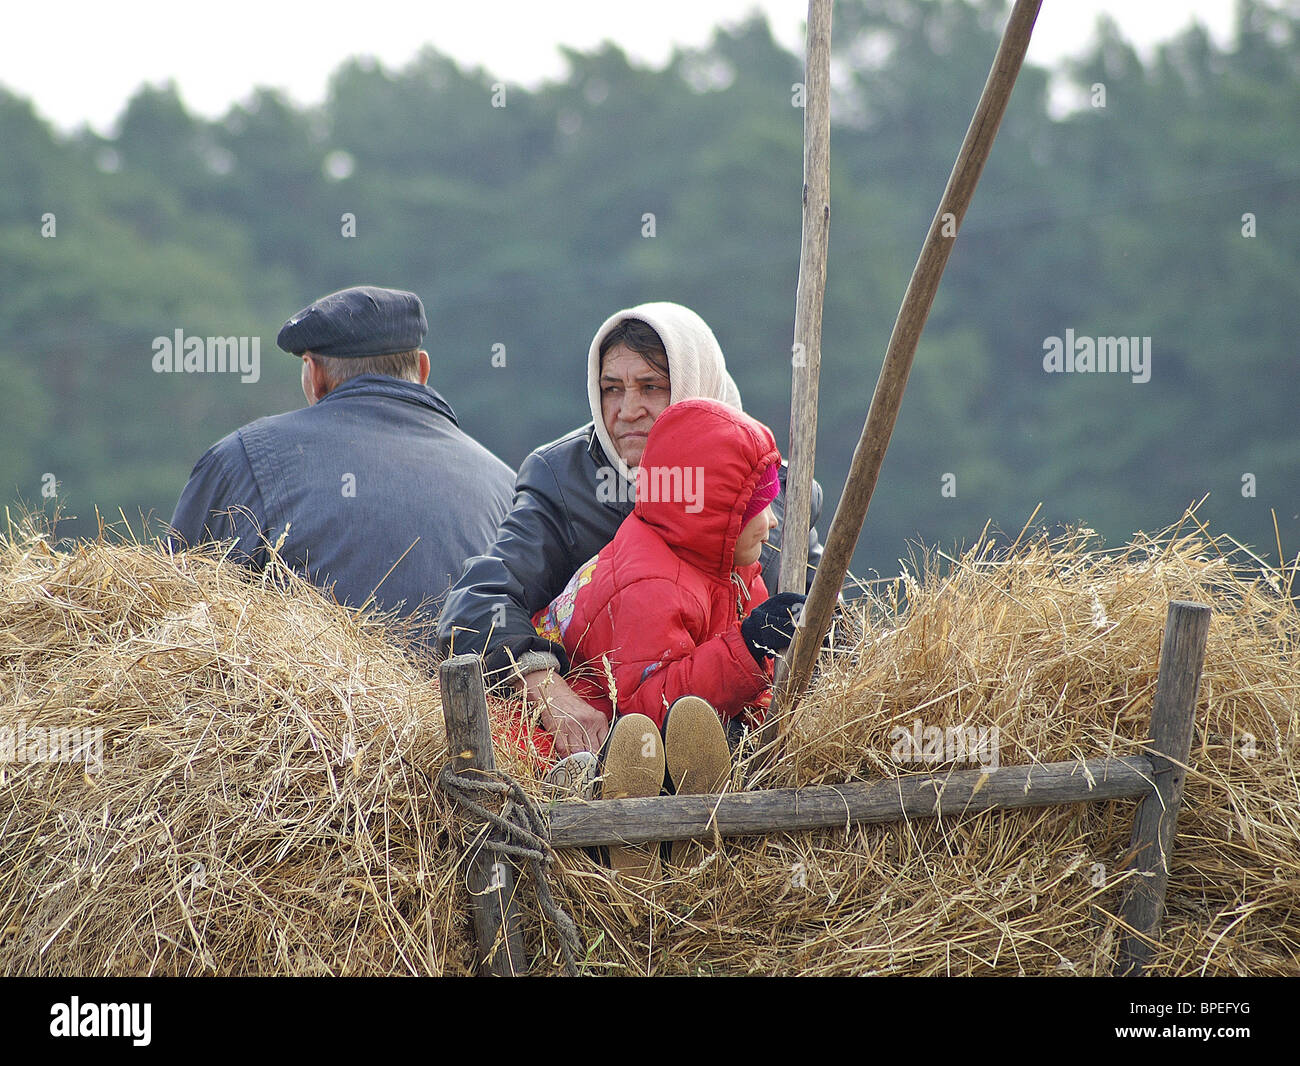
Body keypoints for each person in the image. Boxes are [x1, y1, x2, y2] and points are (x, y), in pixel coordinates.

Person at [436, 301, 824, 756]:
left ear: (694, 383)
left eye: (651, 387)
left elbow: (828, 637)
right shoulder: (563, 480)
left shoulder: (779, 495)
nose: (627, 410)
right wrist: (546, 686)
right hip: (601, 739)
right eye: (611, 388)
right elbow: (477, 604)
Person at [525, 399, 806, 876]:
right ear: (715, 511)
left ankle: (686, 829)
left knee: (717, 731)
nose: (772, 520)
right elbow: (644, 706)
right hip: (600, 737)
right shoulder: (651, 583)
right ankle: (636, 839)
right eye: (758, 507)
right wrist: (750, 646)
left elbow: (745, 681)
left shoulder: (728, 569)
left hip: (644, 725)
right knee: (652, 742)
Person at [168, 285, 515, 644]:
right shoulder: (509, 486)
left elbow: (173, 622)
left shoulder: (243, 459)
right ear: (423, 368)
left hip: (297, 701)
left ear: (315, 374)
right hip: (469, 700)